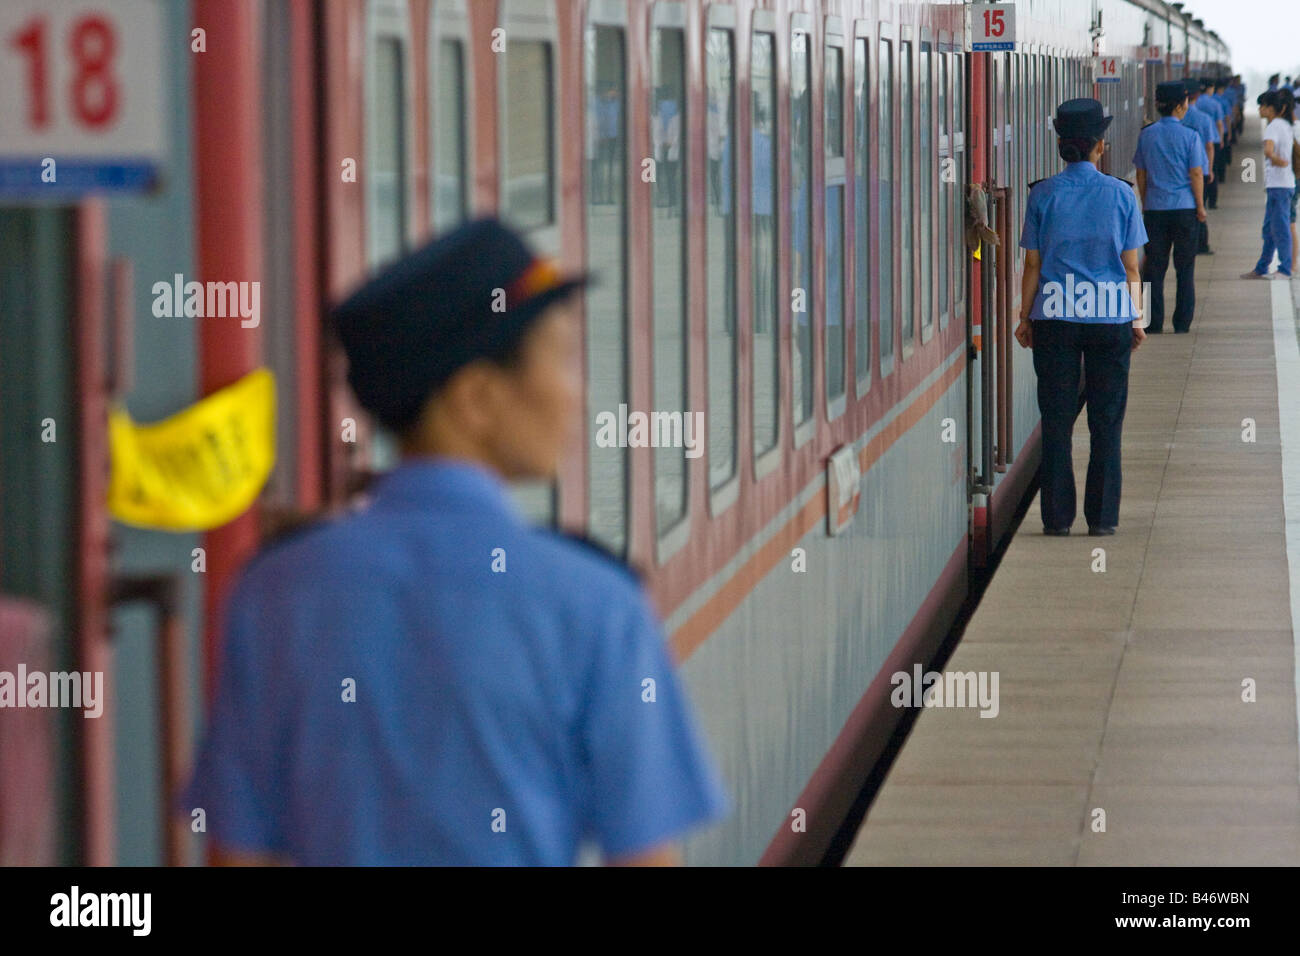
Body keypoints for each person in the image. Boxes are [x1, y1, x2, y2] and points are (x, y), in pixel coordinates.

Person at [181, 218, 730, 865]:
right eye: (560, 360)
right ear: (475, 400)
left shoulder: (274, 591)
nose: (576, 397)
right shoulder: (593, 603)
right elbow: (643, 858)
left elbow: (238, 854)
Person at [1015, 98, 1147, 537]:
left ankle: (1056, 519)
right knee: (1106, 422)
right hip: (1109, 318)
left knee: (1056, 419)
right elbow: (1131, 266)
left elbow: (1032, 264)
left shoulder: (1042, 194)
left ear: (1060, 145)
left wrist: (1025, 316)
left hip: (1055, 316)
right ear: (1099, 147)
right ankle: (1103, 520)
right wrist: (1137, 319)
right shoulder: (1121, 194)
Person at [1134, 82, 1208, 334]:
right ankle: (1182, 323)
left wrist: (1146, 202)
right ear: (1179, 105)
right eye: (1186, 101)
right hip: (1185, 209)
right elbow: (1196, 174)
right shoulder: (1191, 136)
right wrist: (1200, 207)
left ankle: (1153, 323)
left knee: (1153, 269)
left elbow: (1141, 175)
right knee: (1185, 269)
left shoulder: (1147, 134)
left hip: (1155, 210)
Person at [1242, 90, 1295, 279]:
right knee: (1270, 229)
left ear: (1272, 109)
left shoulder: (1274, 126)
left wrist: (1275, 157)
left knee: (1279, 228)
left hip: (1279, 185)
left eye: (1262, 105)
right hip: (1281, 184)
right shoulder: (1286, 125)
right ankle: (1262, 266)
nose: (1259, 109)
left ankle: (1284, 268)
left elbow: (1268, 149)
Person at [1181, 79, 1218, 255]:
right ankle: (1201, 245)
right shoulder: (1204, 118)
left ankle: (1187, 244)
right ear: (1197, 95)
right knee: (1199, 207)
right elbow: (1210, 146)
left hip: (1180, 172)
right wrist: (1209, 169)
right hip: (1199, 168)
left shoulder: (1178, 118)